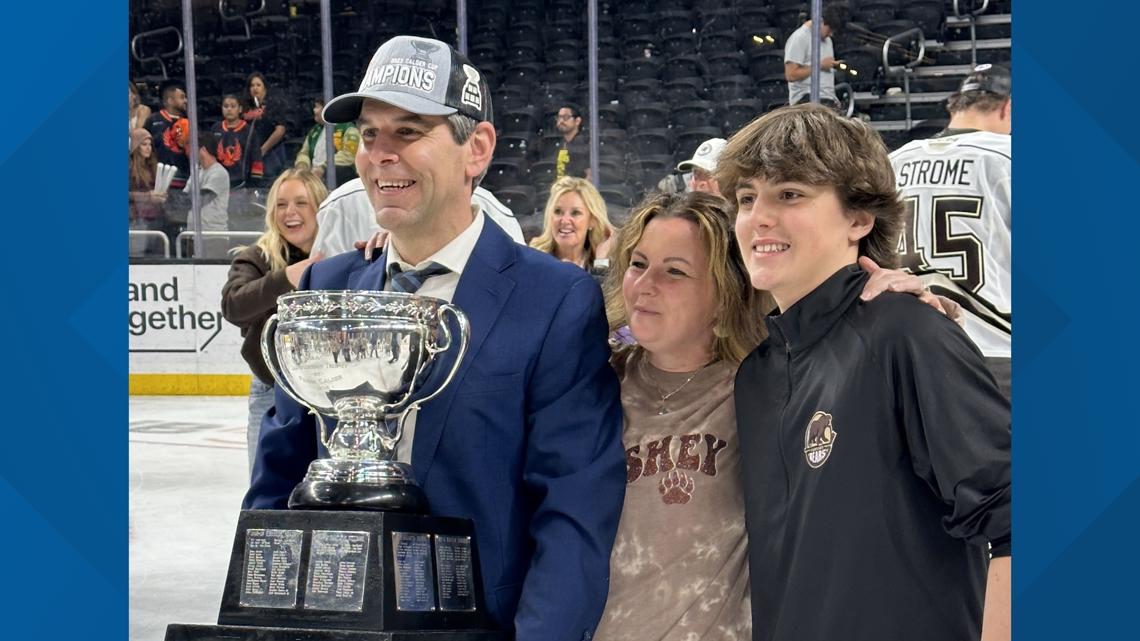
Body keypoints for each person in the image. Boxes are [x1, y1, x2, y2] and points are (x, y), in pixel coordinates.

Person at [243, 35, 626, 641]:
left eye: (409, 131)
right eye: (369, 135)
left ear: (476, 149)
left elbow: (574, 510)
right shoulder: (328, 284)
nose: (379, 155)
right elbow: (276, 481)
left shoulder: (555, 300)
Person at [593, 191, 958, 641]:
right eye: (638, 263)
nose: (645, 285)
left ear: (726, 294)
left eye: (675, 271)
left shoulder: (767, 384)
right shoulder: (590, 382)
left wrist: (908, 301)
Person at [720, 103, 1011, 641]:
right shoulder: (757, 373)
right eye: (746, 198)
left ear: (859, 218)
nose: (758, 216)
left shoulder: (906, 333)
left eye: (790, 194)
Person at [890, 63, 1012, 399]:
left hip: (911, 357)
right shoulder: (1010, 159)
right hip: (996, 355)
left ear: (955, 104)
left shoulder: (893, 162)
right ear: (1009, 106)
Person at [221, 169, 326, 474]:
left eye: (301, 203)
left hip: (329, 398)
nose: (289, 213)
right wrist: (287, 278)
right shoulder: (258, 258)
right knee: (267, 495)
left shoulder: (343, 256)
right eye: (281, 205)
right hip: (271, 393)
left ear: (321, 207)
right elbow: (233, 304)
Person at [310, 179, 525, 254]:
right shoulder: (343, 204)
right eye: (370, 132)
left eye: (408, 132)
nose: (384, 152)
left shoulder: (494, 212)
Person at [529, 176, 614, 276]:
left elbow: (600, 291)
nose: (564, 220)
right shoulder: (533, 260)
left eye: (575, 213)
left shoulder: (604, 264)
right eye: (558, 211)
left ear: (592, 220)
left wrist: (600, 264)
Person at [783, 3, 849, 109]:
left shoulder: (828, 41)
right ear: (821, 21)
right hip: (805, 99)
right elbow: (791, 75)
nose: (831, 34)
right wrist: (820, 65)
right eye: (830, 29)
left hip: (827, 98)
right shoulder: (799, 38)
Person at [182, 131, 230, 257]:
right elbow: (183, 198)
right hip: (193, 235)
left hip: (213, 237)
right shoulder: (196, 172)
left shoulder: (219, 173)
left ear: (202, 149)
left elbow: (201, 199)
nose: (188, 153)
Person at [295, 97, 360, 187]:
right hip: (313, 177)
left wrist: (323, 167)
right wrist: (302, 165)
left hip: (338, 179)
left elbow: (348, 155)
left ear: (326, 108)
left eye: (317, 107)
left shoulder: (349, 128)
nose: (314, 110)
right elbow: (304, 152)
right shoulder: (314, 131)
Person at [128, 128, 167, 256]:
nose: (148, 148)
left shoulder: (154, 167)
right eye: (144, 144)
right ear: (135, 146)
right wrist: (147, 197)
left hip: (155, 221)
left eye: (150, 144)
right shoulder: (128, 168)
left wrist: (162, 196)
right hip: (135, 222)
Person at [243, 72, 287, 182]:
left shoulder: (273, 104)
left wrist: (262, 150)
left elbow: (280, 130)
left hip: (270, 153)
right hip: (250, 155)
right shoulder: (245, 107)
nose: (255, 88)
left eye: (258, 85)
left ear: (265, 88)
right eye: (252, 85)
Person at [213, 93, 262, 187]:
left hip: (241, 183)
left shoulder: (249, 131)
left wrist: (253, 185)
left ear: (240, 109)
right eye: (226, 106)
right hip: (218, 183)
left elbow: (256, 158)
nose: (229, 109)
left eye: (233, 106)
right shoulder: (216, 128)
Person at [554, 102, 591, 179]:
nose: (561, 121)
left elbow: (590, 175)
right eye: (559, 117)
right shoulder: (558, 143)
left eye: (566, 117)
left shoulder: (584, 144)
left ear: (577, 121)